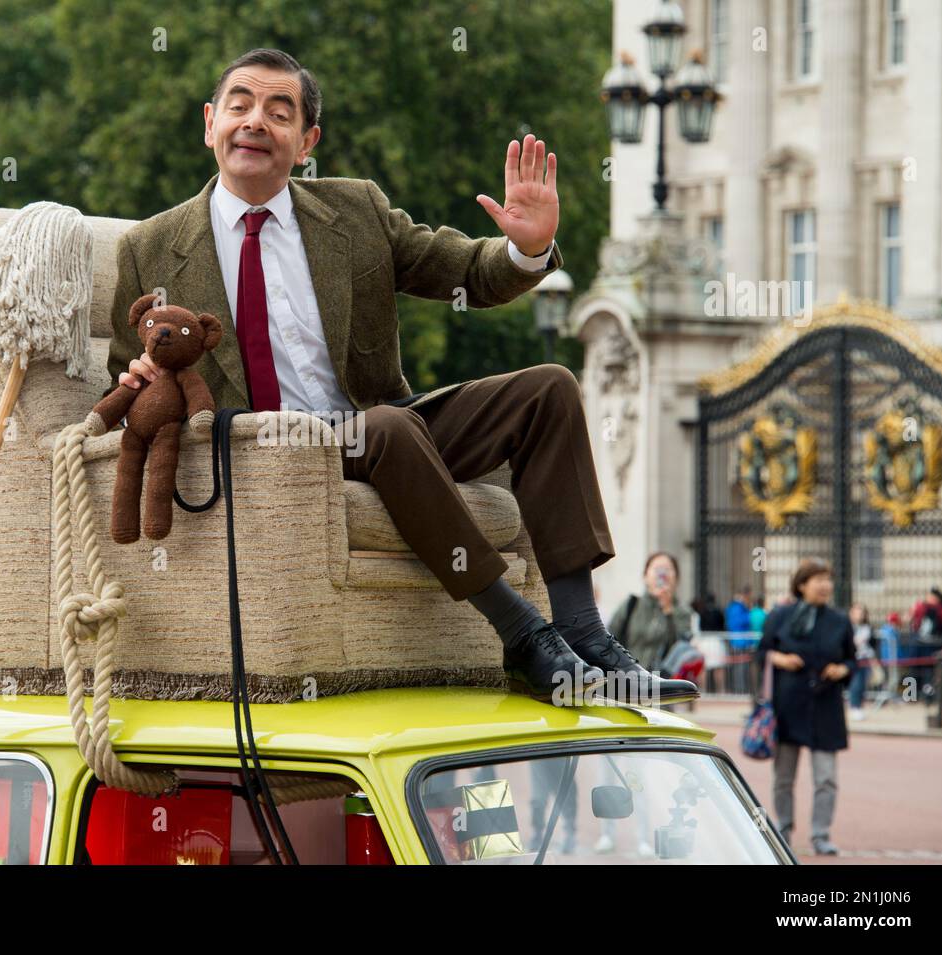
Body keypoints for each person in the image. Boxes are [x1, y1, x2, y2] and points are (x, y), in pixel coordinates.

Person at [101, 48, 696, 708]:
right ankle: (525, 636)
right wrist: (134, 379)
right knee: (384, 426)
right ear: (210, 122)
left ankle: (587, 635)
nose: (255, 122)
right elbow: (130, 385)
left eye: (279, 111)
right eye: (239, 106)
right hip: (264, 452)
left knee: (549, 387)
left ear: (307, 143)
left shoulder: (354, 212)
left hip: (385, 427)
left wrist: (525, 248)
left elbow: (465, 272)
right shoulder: (149, 248)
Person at [754, 557, 857, 856]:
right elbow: (762, 653)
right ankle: (783, 827)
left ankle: (820, 834)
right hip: (788, 706)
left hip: (826, 707)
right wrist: (780, 659)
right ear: (802, 585)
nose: (825, 585)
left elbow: (852, 659)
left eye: (828, 579)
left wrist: (842, 669)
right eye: (818, 579)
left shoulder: (839, 620)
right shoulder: (781, 615)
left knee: (826, 777)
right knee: (784, 776)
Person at [605, 552, 695, 676]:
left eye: (667, 569)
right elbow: (610, 637)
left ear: (677, 577)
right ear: (645, 576)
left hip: (663, 681)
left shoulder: (683, 612)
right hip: (628, 676)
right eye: (657, 569)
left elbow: (681, 646)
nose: (662, 574)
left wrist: (668, 611)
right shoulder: (631, 605)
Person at [846, 602, 877, 721]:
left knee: (863, 684)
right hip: (854, 658)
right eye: (858, 612)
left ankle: (859, 706)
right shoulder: (847, 626)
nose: (860, 615)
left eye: (862, 613)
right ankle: (854, 707)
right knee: (856, 683)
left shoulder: (867, 627)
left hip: (865, 658)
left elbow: (872, 643)